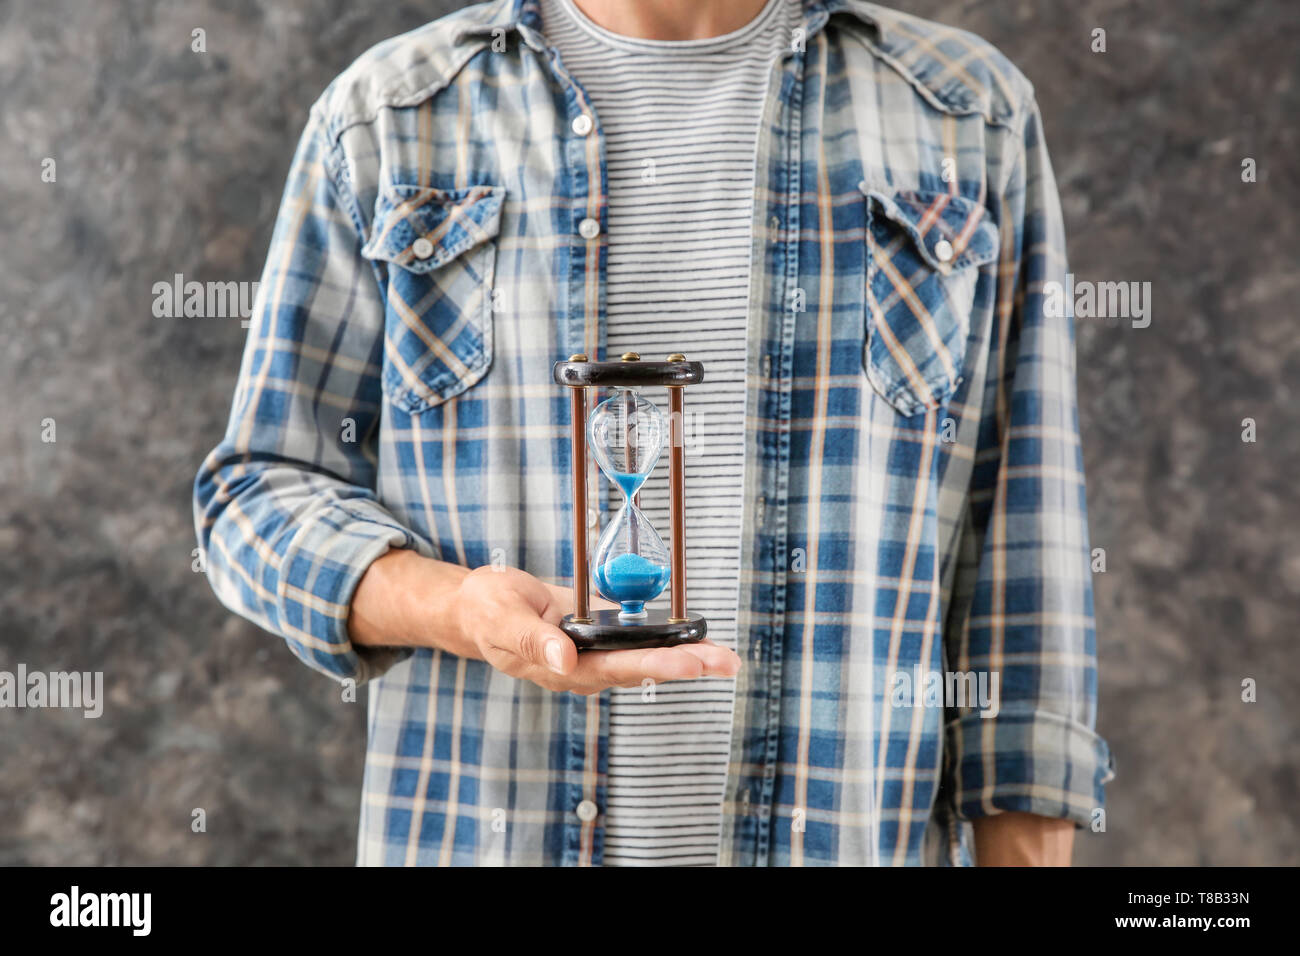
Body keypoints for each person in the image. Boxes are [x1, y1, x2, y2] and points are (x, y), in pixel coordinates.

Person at [194, 0, 1113, 866]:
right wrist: (453, 607)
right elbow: (256, 494)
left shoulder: (967, 114)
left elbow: (1023, 538)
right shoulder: (390, 116)